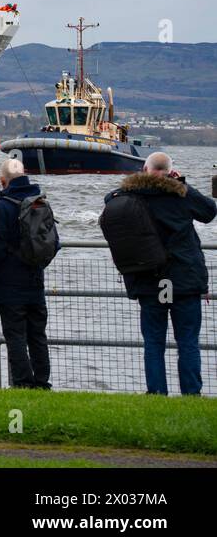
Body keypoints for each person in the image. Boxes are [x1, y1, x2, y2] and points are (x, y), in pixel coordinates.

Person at [103, 152, 215, 396]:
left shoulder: (130, 195)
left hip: (149, 279)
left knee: (153, 343)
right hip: (184, 278)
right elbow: (209, 211)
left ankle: (156, 393)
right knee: (187, 342)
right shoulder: (180, 195)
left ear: (144, 169)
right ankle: (192, 394)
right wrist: (182, 183)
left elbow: (108, 201)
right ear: (170, 172)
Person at [0, 158, 56, 388]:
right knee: (37, 335)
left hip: (8, 282)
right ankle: (43, 382)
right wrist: (38, 265)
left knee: (15, 335)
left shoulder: (1, 207)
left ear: (3, 180)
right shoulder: (40, 203)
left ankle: (23, 383)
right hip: (35, 279)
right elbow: (53, 243)